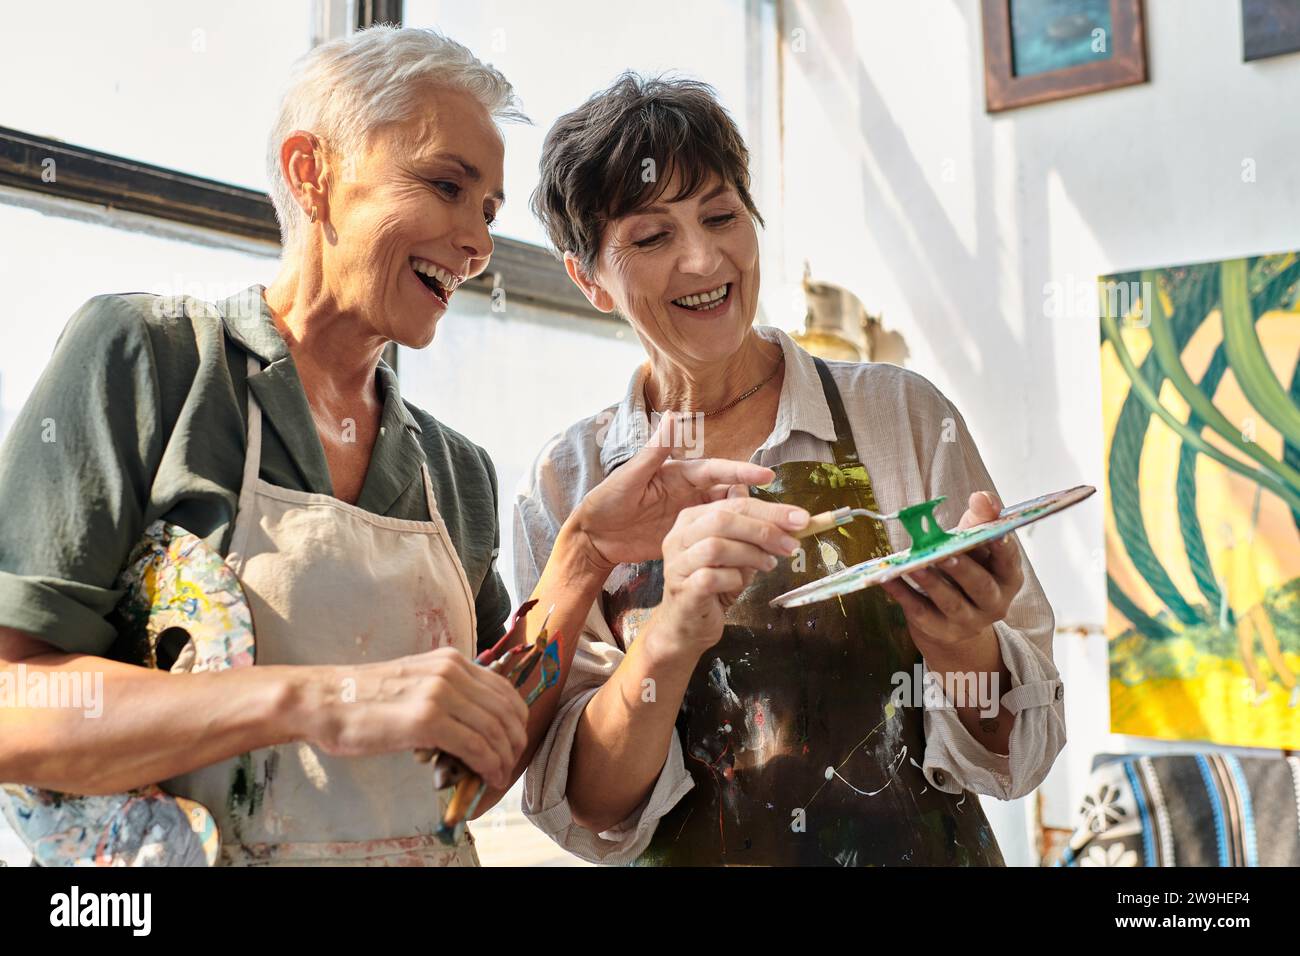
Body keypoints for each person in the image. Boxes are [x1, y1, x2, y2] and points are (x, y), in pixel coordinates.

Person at [0, 30, 780, 867]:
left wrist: (584, 552)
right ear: (313, 174)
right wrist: (322, 699)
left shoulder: (456, 473)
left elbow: (475, 771)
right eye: (446, 186)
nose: (477, 244)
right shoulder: (150, 361)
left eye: (487, 211)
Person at [515, 74, 1067, 865]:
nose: (703, 258)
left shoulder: (901, 416)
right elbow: (594, 809)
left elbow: (1023, 753)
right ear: (587, 278)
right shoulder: (567, 486)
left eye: (720, 216)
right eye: (650, 238)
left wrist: (964, 640)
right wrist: (668, 639)